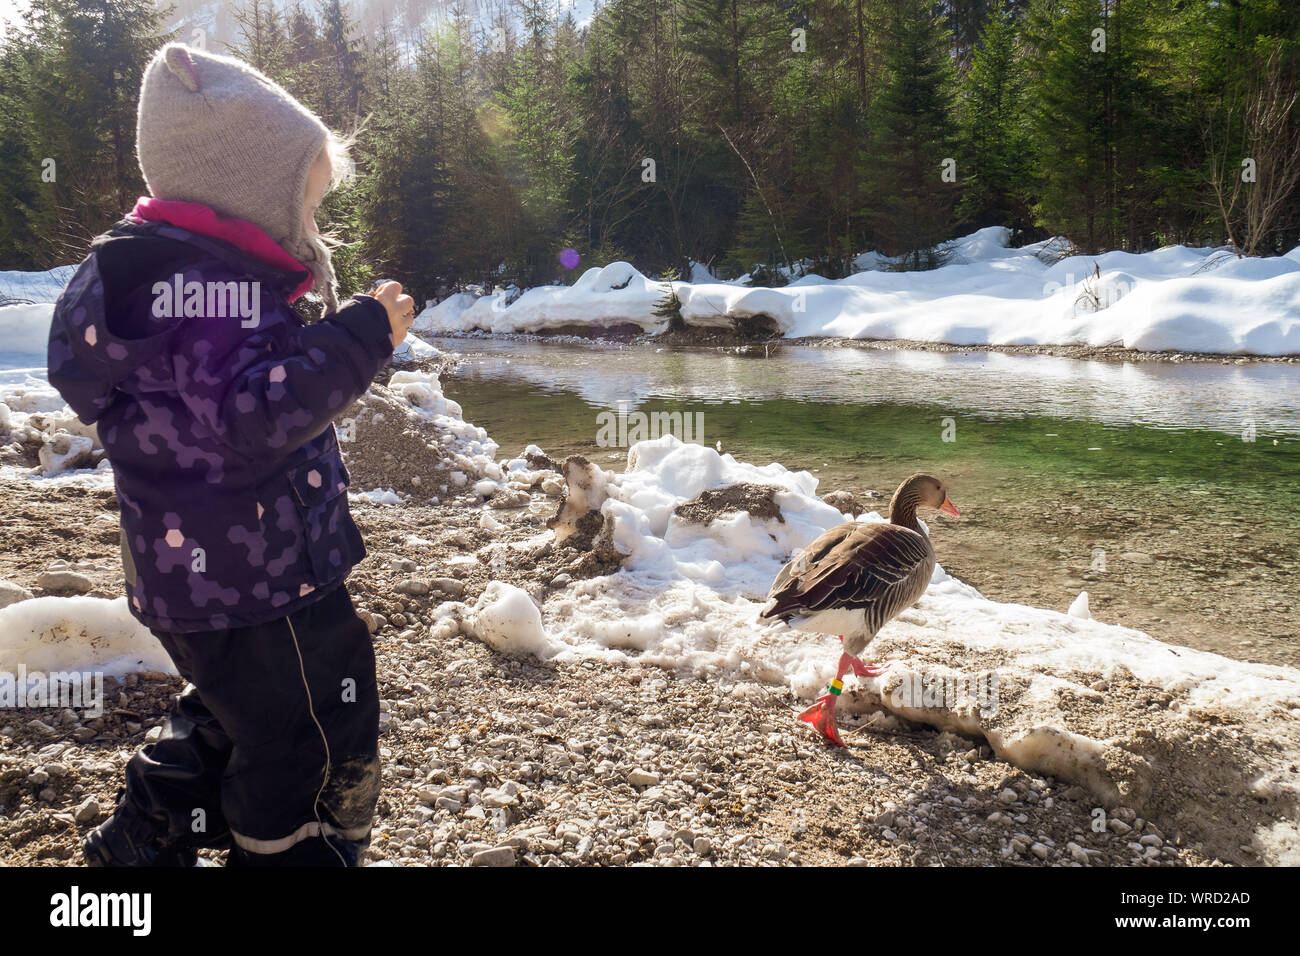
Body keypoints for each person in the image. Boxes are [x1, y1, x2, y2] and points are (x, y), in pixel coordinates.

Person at [46, 43, 415, 866]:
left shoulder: (143, 281)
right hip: (265, 580)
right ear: (252, 196)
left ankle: (143, 838)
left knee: (235, 710)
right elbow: (256, 412)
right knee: (312, 739)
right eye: (307, 207)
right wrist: (359, 340)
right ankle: (298, 853)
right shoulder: (215, 295)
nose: (313, 229)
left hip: (197, 582)